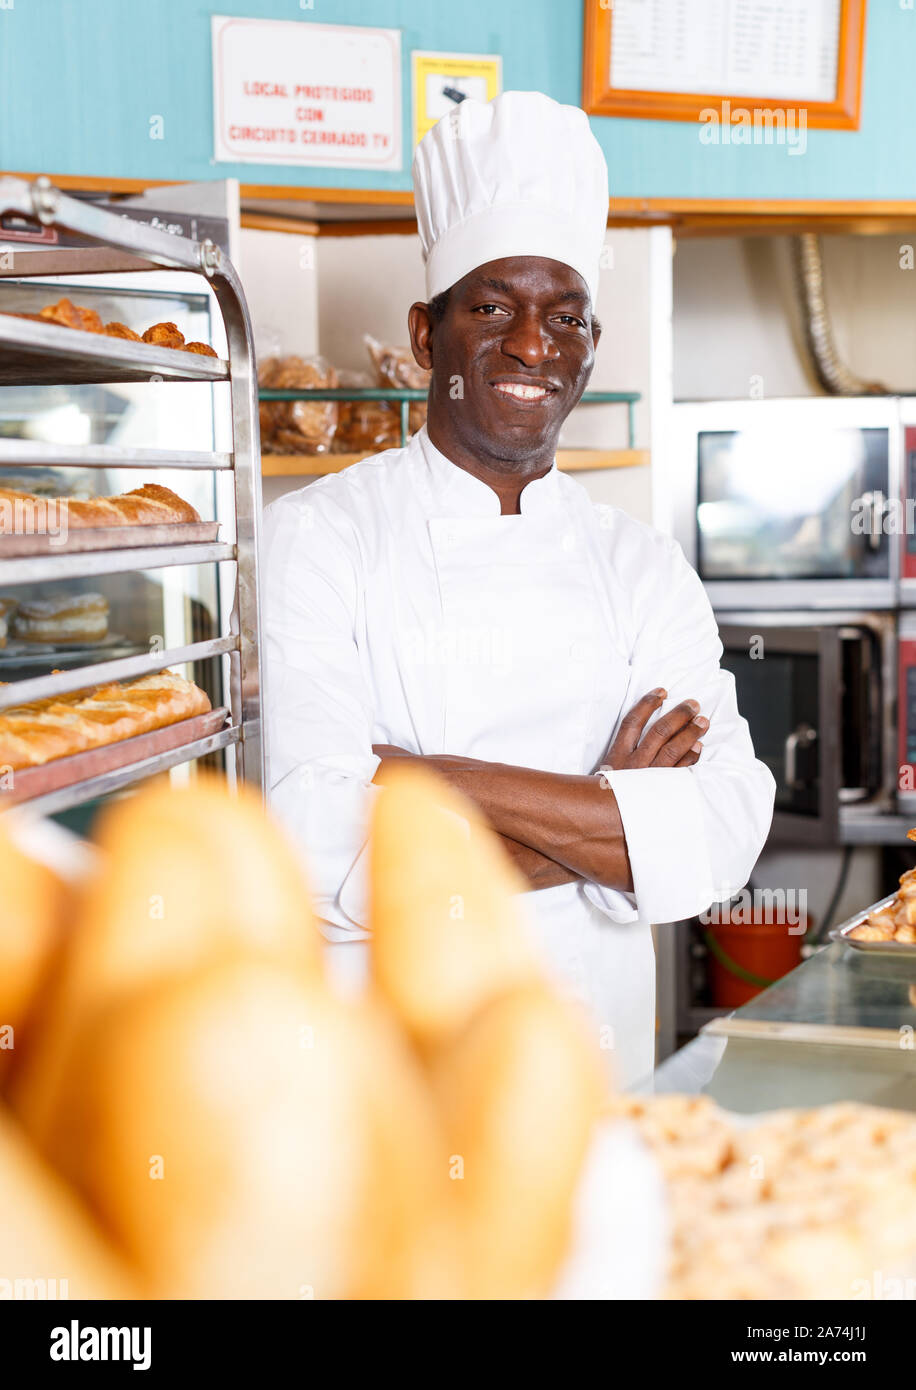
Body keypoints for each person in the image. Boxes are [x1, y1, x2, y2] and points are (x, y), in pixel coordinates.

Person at [262, 91, 775, 1085]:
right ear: (424, 333)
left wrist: (421, 778)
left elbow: (719, 829)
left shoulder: (639, 563)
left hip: (598, 1068)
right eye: (493, 306)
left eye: (565, 316)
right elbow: (311, 837)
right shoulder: (315, 540)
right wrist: (614, 816)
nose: (534, 345)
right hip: (385, 1086)